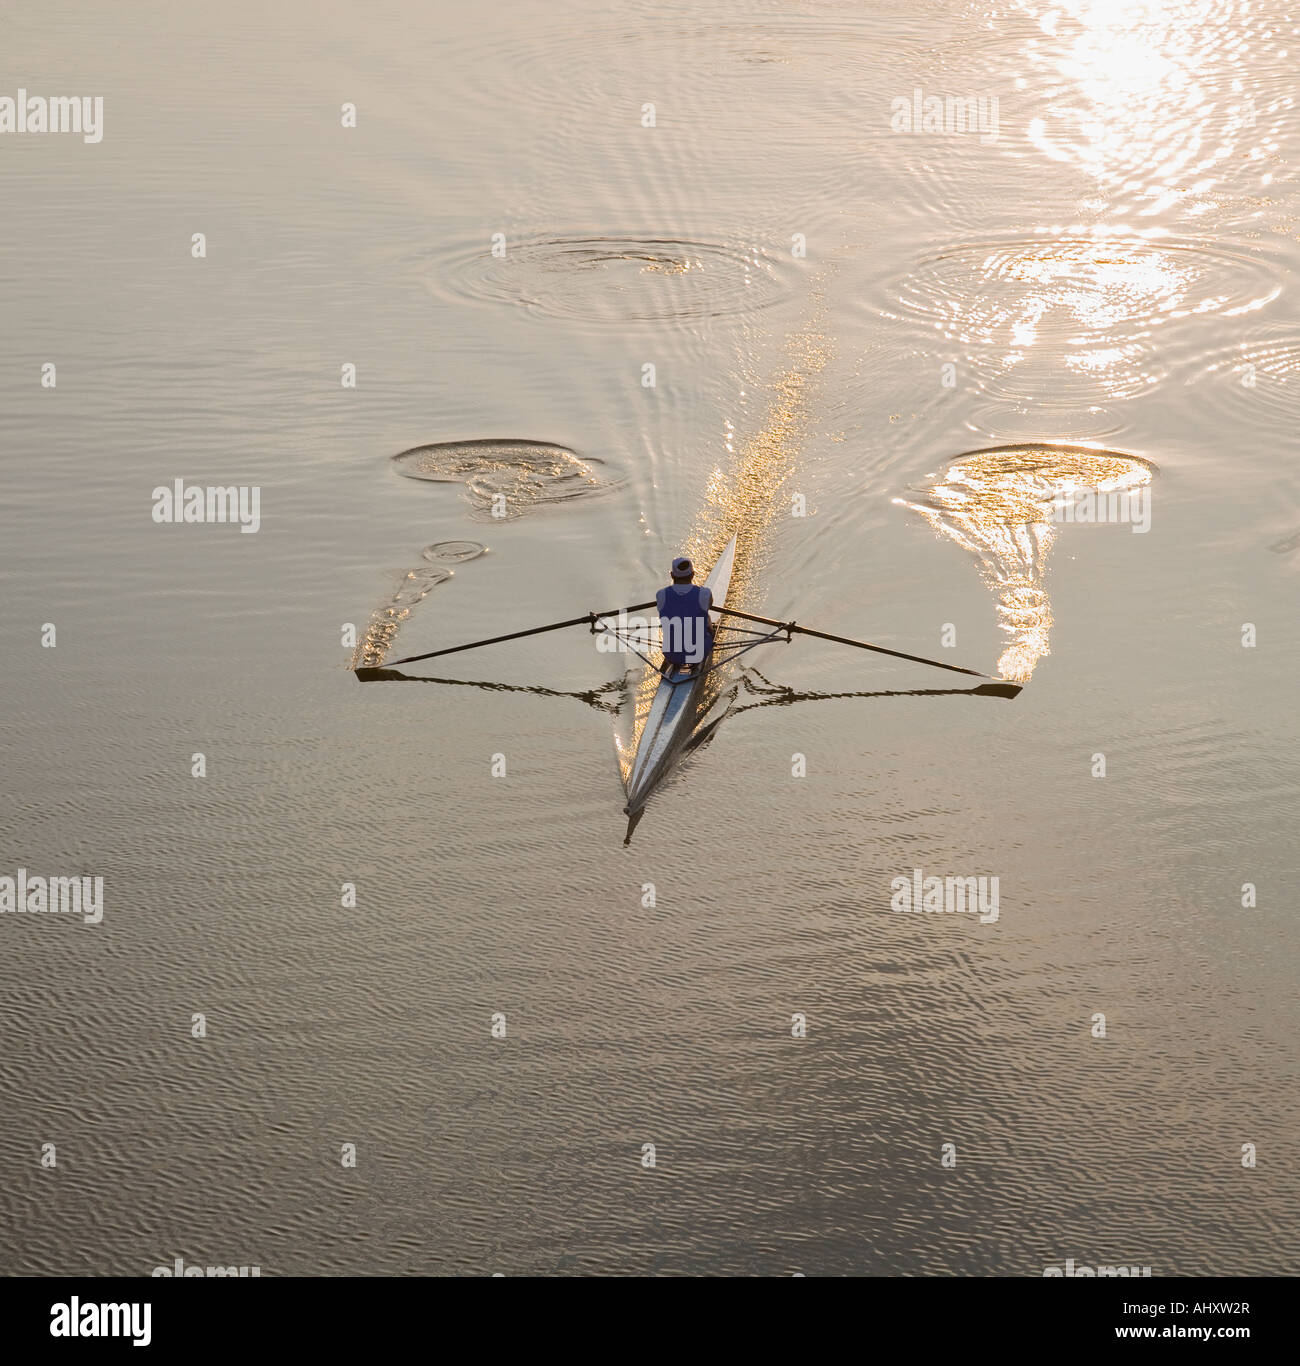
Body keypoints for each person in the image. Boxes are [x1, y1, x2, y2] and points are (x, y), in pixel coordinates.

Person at [656, 554, 713, 675]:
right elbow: (710, 605)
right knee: (706, 617)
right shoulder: (705, 593)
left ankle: (676, 658)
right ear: (692, 574)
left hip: (671, 654)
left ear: (672, 575)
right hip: (698, 652)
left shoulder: (661, 595)